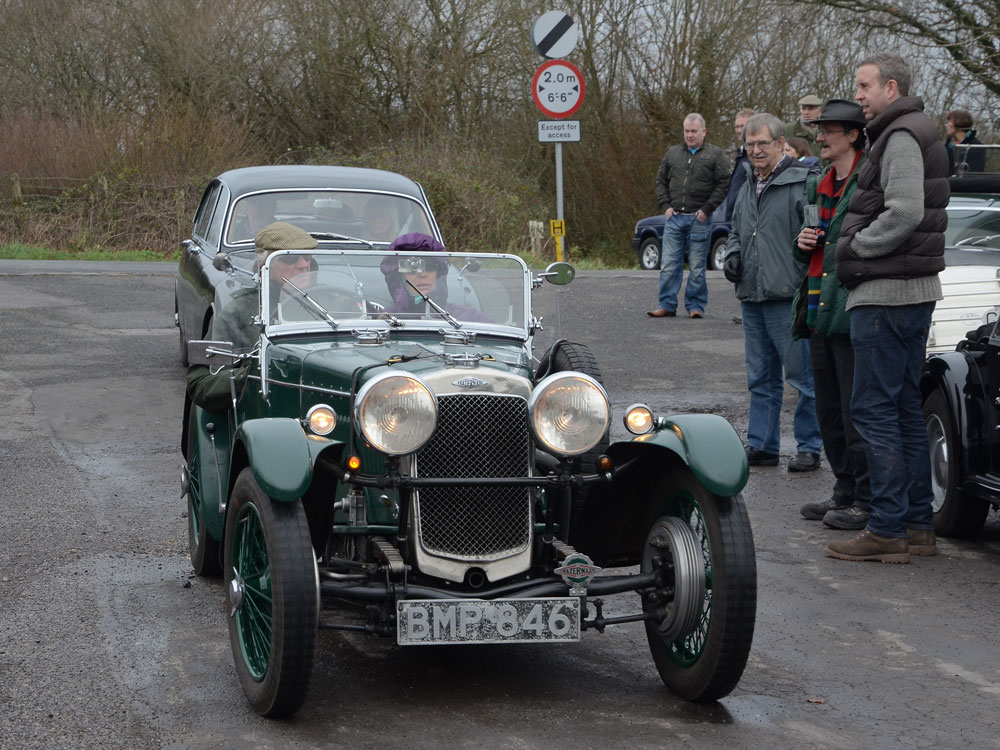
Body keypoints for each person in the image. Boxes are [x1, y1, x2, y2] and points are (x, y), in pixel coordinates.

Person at [825, 53, 949, 563]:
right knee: (901, 410)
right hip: (908, 293)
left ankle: (887, 529)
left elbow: (905, 212)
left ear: (890, 88)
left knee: (874, 410)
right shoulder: (912, 131)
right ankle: (917, 527)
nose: (857, 95)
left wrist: (854, 249)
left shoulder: (899, 136)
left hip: (887, 295)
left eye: (864, 85)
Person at [722, 113, 823, 471]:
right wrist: (733, 255)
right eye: (750, 144)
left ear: (781, 144)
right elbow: (736, 230)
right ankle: (763, 445)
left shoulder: (804, 183)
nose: (755, 150)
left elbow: (816, 234)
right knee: (760, 378)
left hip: (789, 296)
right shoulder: (747, 182)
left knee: (803, 377)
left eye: (762, 143)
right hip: (752, 294)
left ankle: (809, 446)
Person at [791, 100, 873, 528]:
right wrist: (801, 242)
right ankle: (843, 490)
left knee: (854, 409)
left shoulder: (867, 181)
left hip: (851, 307)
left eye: (829, 130)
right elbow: (807, 251)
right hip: (818, 307)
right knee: (827, 408)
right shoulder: (819, 183)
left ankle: (865, 498)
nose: (820, 137)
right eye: (819, 130)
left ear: (853, 135)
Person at [187, 222, 317, 410]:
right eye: (291, 258)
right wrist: (252, 373)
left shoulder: (335, 304)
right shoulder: (238, 312)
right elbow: (201, 383)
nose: (304, 265)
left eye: (308, 257)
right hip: (264, 410)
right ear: (265, 265)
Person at [648, 113, 730, 319]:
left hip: (699, 219)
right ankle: (666, 305)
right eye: (686, 131)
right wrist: (666, 206)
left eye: (694, 131)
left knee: (697, 267)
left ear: (704, 131)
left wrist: (707, 209)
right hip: (674, 218)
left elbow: (724, 184)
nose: (690, 135)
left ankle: (696, 306)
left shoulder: (715, 154)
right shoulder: (673, 153)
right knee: (668, 265)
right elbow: (660, 180)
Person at [380, 232, 490, 322]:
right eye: (413, 267)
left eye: (429, 266)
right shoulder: (383, 320)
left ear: (439, 273)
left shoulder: (470, 318)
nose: (423, 274)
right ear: (398, 276)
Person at [724, 108, 757, 222]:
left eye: (742, 126)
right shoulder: (741, 154)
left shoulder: (757, 156)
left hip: (747, 217)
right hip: (735, 216)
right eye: (736, 127)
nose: (739, 130)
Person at [944, 109, 986, 175]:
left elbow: (976, 172)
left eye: (949, 123)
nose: (946, 125)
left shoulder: (976, 147)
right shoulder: (949, 143)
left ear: (958, 125)